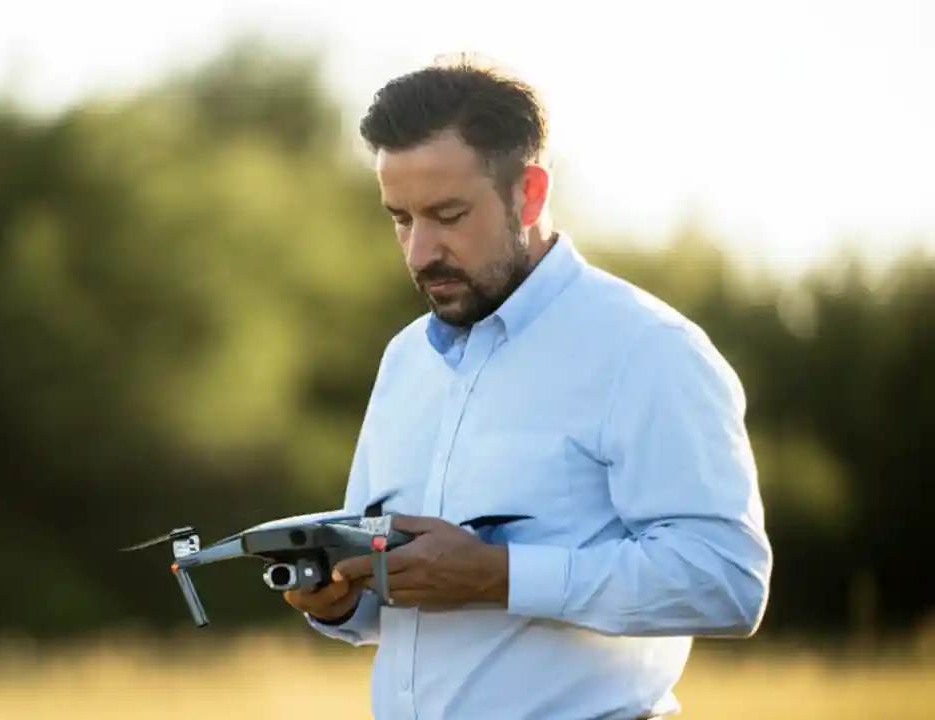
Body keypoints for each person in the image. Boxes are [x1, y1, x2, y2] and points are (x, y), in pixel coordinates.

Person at [282, 57, 773, 719]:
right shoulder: (405, 361)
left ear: (530, 194)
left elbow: (726, 582)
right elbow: (396, 602)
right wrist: (341, 599)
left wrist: (499, 573)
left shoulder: (648, 350)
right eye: (401, 218)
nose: (419, 252)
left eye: (447, 214)